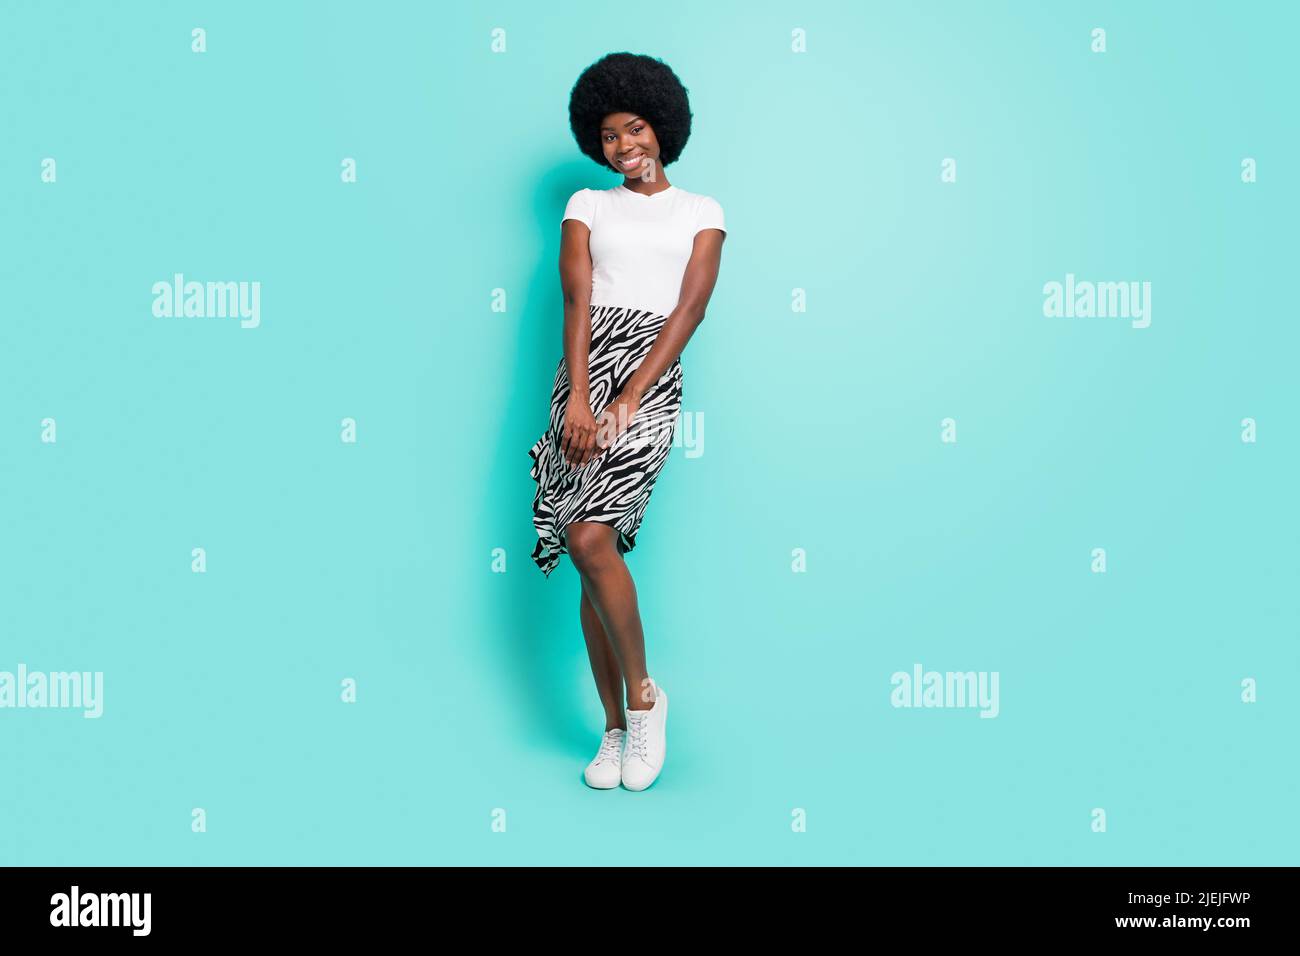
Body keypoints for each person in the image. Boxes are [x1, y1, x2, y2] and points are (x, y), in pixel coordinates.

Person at [527, 52, 727, 792]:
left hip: (649, 379)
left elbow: (689, 309)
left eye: (635, 128)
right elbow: (578, 303)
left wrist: (628, 397)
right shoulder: (587, 204)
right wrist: (580, 399)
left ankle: (644, 700)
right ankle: (613, 730)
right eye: (609, 135)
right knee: (587, 556)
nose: (623, 146)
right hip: (582, 373)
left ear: (662, 125)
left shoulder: (703, 212)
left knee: (590, 534)